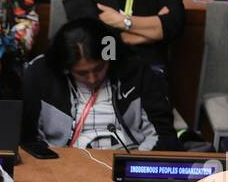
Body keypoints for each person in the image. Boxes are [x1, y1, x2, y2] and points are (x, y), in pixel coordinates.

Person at [20, 16, 178, 151]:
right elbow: (29, 139)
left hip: (128, 157)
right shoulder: (41, 73)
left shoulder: (134, 70)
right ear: (65, 68)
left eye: (99, 68)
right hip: (64, 161)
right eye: (82, 73)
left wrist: (134, 164)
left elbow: (163, 134)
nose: (92, 79)